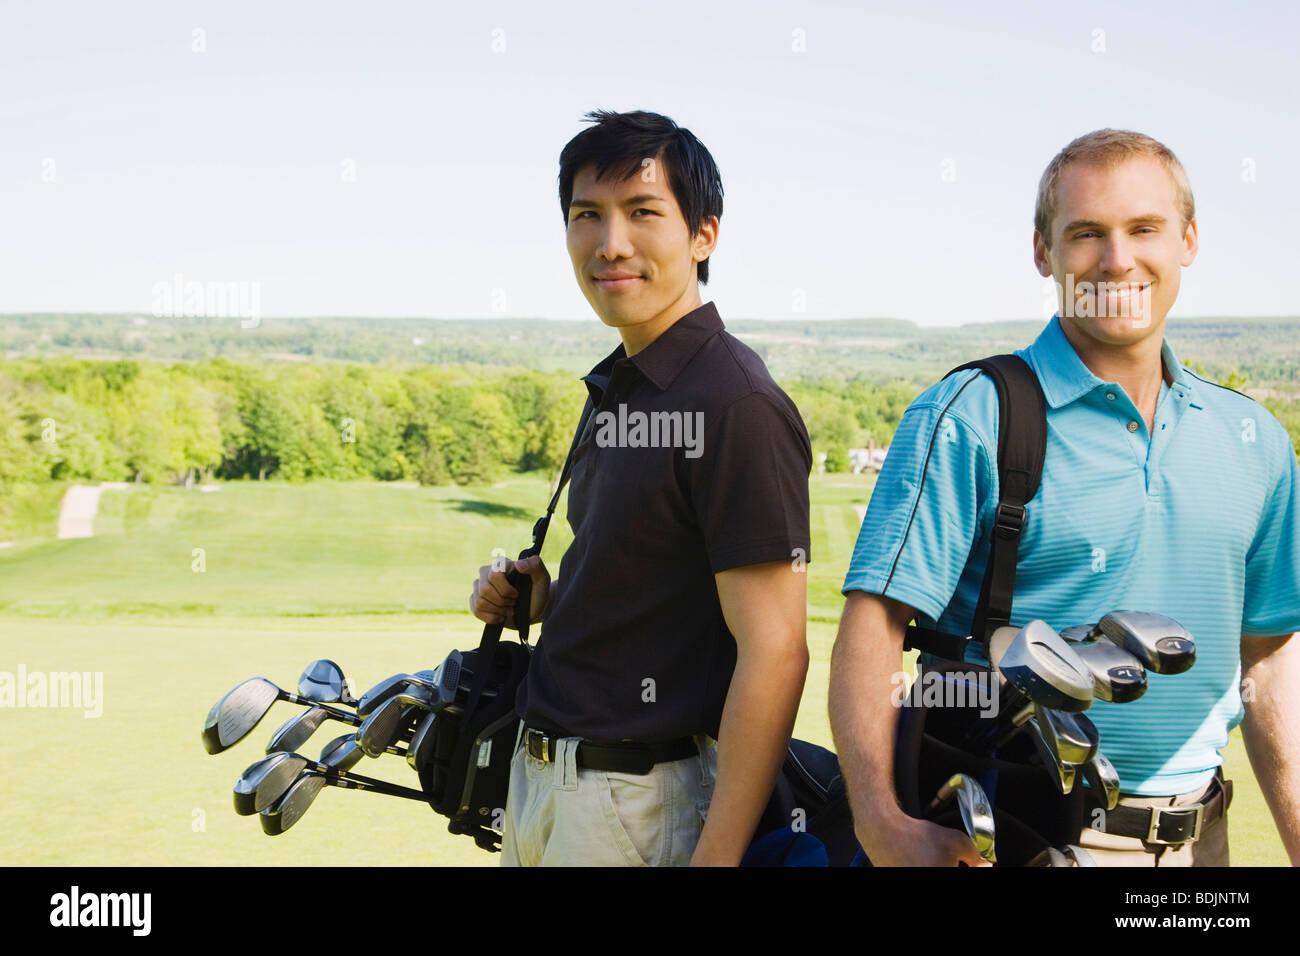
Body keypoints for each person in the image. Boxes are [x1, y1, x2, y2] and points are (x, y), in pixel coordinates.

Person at [828, 129, 1300, 867]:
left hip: (1203, 846)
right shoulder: (972, 413)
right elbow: (872, 625)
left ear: (1189, 241)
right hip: (1020, 838)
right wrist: (880, 824)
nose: (1117, 259)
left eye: (1144, 228)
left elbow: (1269, 662)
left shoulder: (1255, 440)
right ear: (1044, 252)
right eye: (1086, 233)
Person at [469, 109, 813, 866]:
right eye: (586, 215)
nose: (610, 242)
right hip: (546, 791)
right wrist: (542, 599)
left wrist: (716, 858)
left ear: (704, 235)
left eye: (642, 212)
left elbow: (778, 650)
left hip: (636, 803)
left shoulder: (735, 404)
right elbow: (654, 587)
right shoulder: (626, 383)